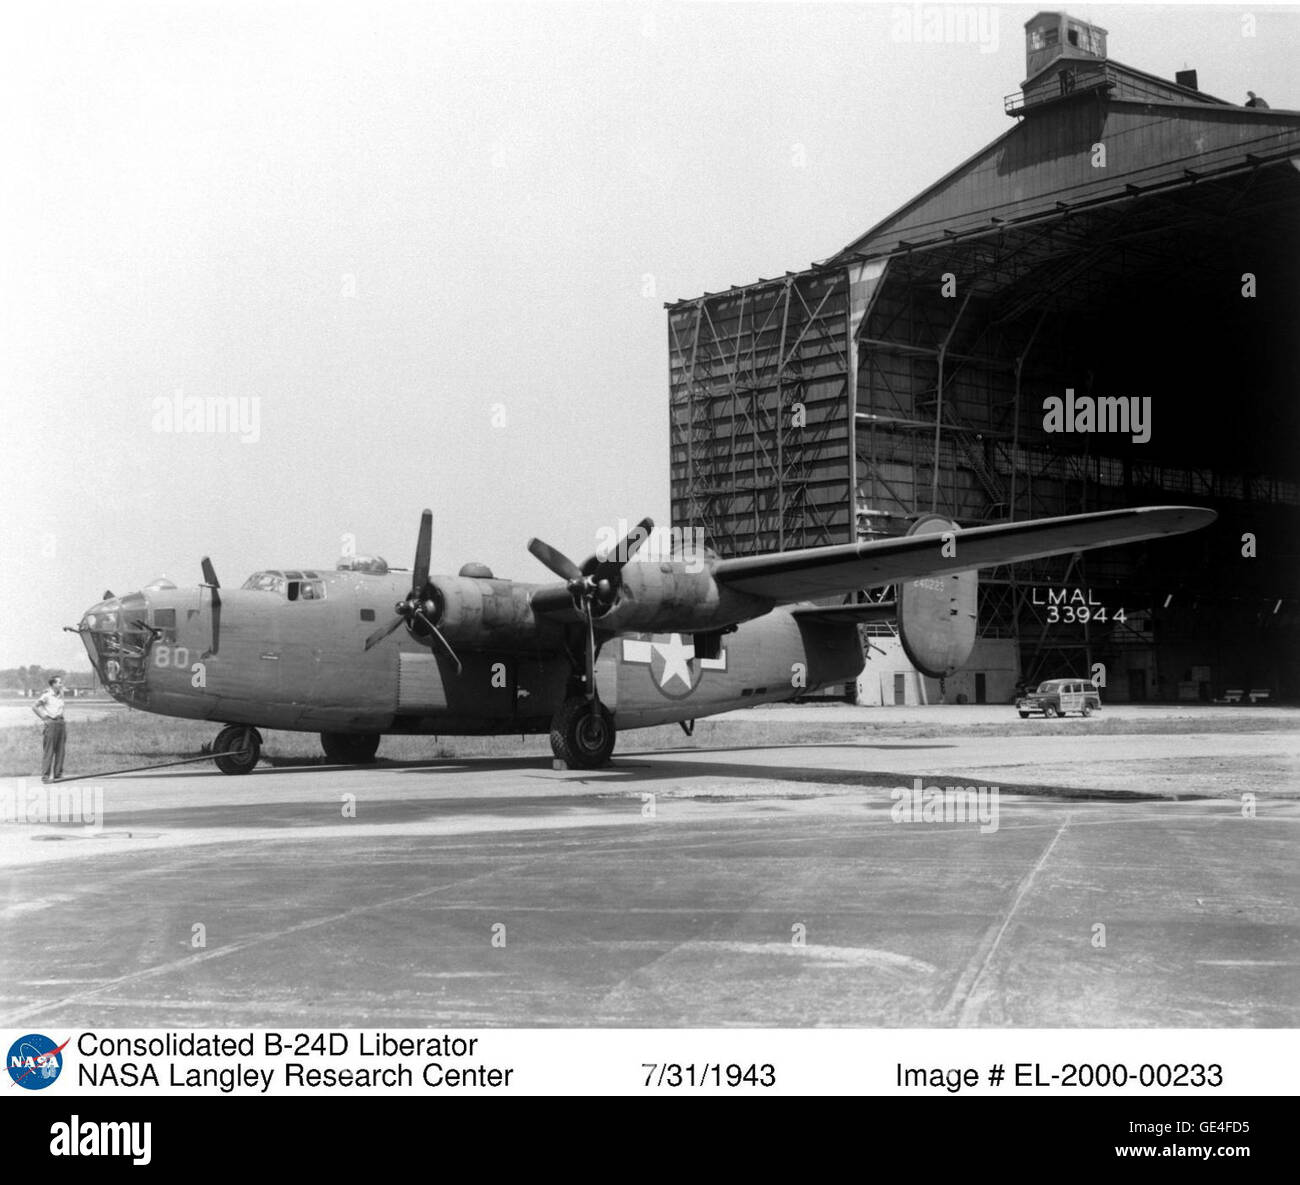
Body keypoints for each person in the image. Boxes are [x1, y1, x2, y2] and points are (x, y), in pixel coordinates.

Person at [33, 675, 67, 783]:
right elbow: (34, 707)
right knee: (49, 750)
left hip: (61, 723)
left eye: (61, 682)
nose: (61, 684)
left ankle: (58, 773)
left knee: (61, 750)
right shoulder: (46, 696)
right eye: (59, 682)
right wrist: (44, 718)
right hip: (51, 723)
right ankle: (45, 775)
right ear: (53, 684)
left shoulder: (61, 695)